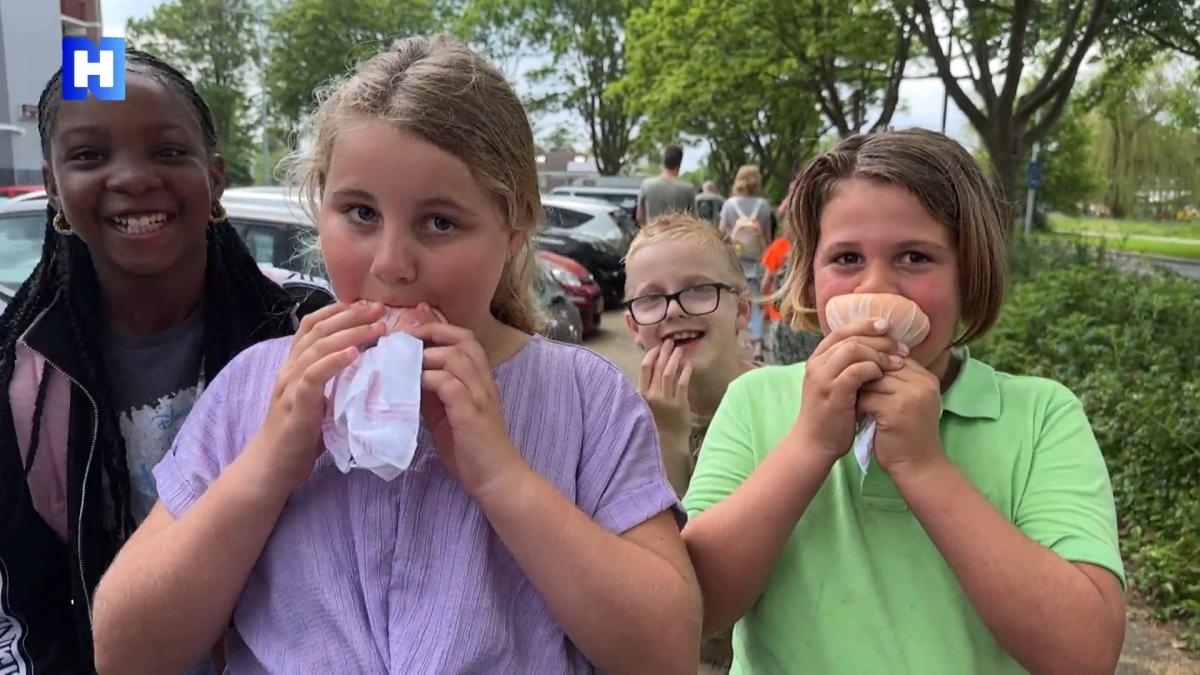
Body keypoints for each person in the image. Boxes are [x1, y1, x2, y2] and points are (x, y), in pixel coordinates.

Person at [91, 35, 700, 674]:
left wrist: (503, 478)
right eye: (359, 212)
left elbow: (667, 652)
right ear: (319, 206)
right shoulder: (255, 390)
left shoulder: (587, 400)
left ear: (515, 224)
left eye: (440, 222)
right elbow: (126, 652)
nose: (391, 266)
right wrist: (269, 461)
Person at [683, 129, 1125, 673]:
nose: (877, 287)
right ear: (810, 275)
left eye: (915, 257)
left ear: (969, 272)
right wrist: (810, 444)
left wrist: (924, 466)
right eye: (845, 258)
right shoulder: (756, 402)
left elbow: (1085, 652)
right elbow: (696, 607)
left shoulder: (1042, 417)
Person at [0, 50, 331, 673]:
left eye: (169, 151)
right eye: (90, 156)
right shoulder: (20, 373)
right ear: (52, 186)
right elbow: (23, 603)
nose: (133, 178)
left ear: (217, 175)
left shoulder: (303, 327)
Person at [622, 213, 755, 497]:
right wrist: (667, 438)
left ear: (742, 309)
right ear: (633, 325)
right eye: (651, 298)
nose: (673, 310)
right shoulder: (623, 424)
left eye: (698, 290)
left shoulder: (782, 402)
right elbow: (662, 538)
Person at [719, 165, 773, 361]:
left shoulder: (729, 205)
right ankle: (758, 347)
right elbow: (767, 240)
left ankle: (728, 347)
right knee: (756, 305)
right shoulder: (764, 206)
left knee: (731, 303)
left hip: (734, 264)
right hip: (756, 266)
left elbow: (721, 235)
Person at [637, 145, 696, 225]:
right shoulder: (688, 189)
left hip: (653, 234)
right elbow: (694, 219)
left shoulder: (647, 185)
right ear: (680, 163)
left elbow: (640, 217)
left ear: (663, 161)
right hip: (678, 235)